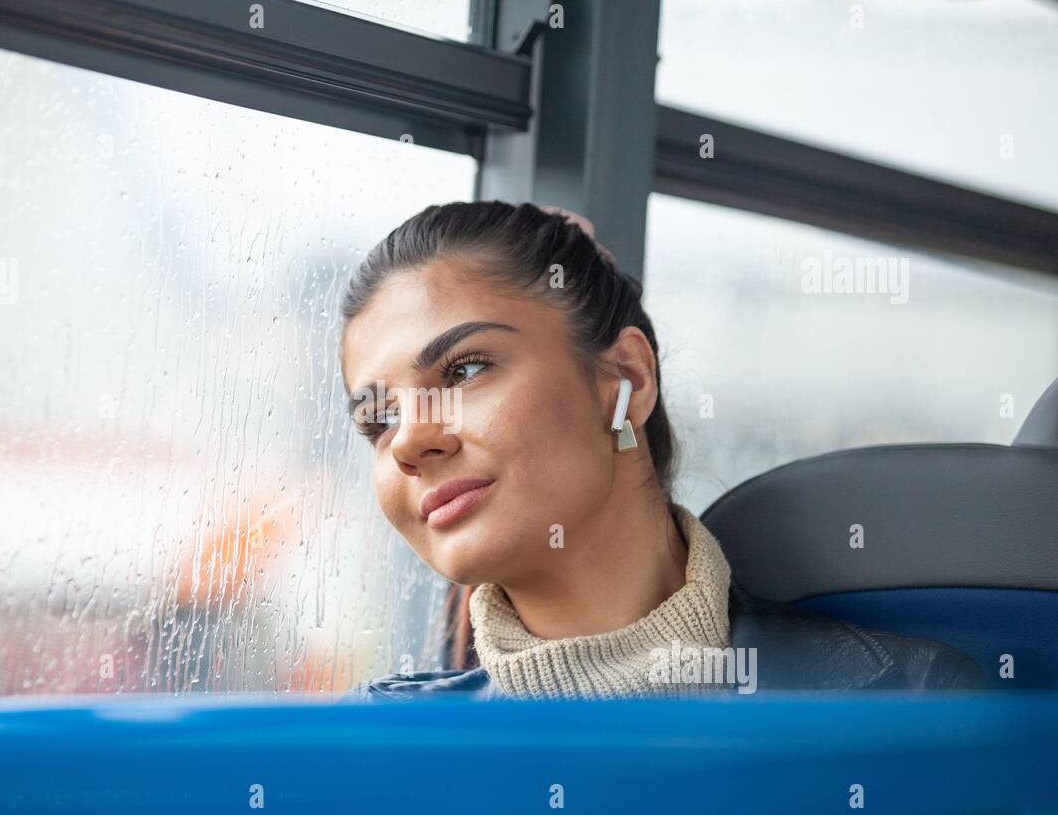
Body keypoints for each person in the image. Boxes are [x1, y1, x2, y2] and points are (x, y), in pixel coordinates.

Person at [337, 200, 986, 701]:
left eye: (465, 371)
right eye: (379, 422)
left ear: (627, 379)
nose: (410, 442)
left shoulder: (907, 705)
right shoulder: (373, 761)